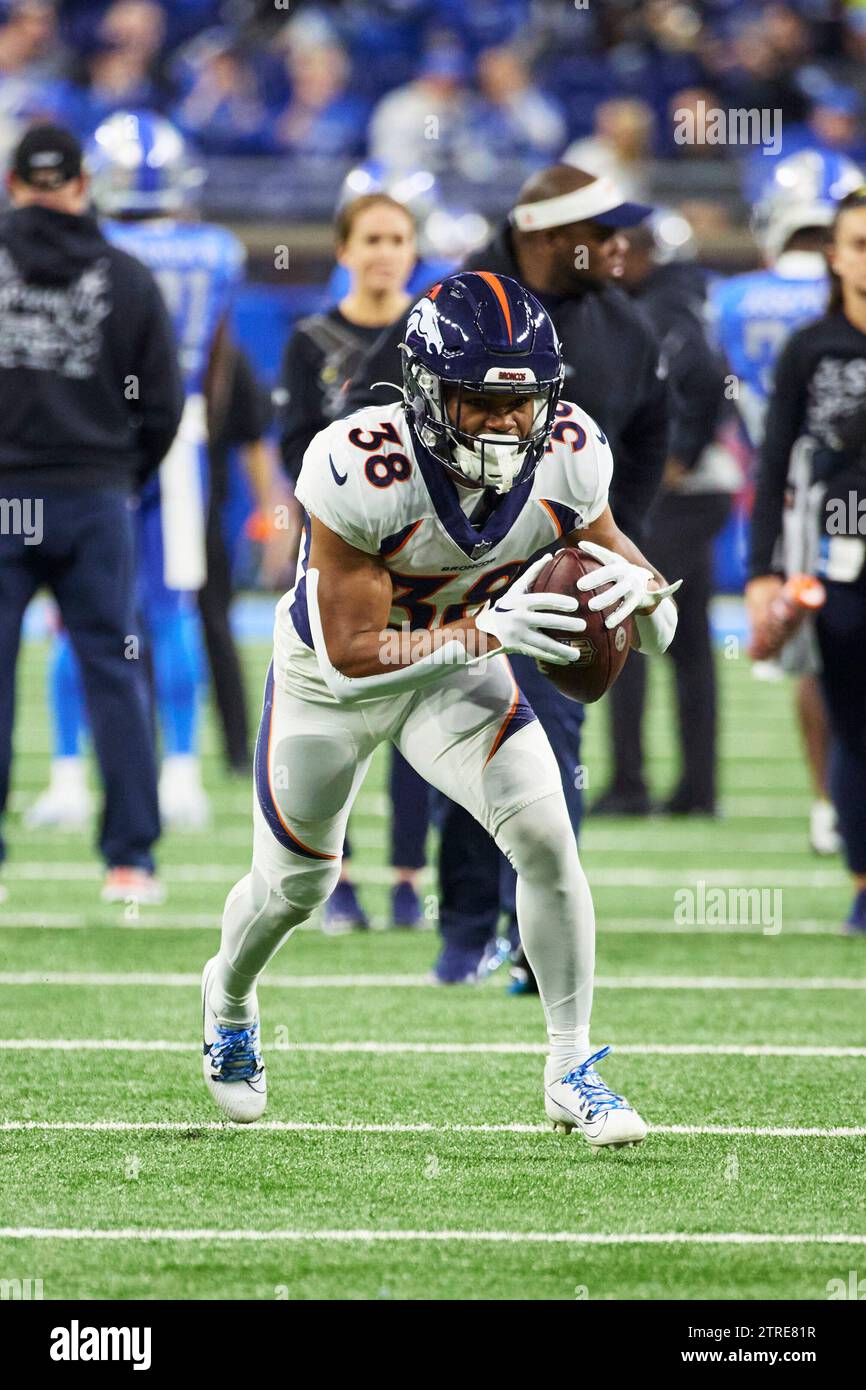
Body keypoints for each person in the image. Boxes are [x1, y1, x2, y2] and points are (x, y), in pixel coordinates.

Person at [200, 271, 681, 1144]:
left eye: (521, 402)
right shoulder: (359, 462)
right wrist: (488, 629)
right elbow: (351, 656)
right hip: (331, 685)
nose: (505, 422)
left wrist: (647, 604)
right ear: (426, 391)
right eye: (476, 401)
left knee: (545, 837)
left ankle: (571, 1066)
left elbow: (638, 585)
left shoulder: (571, 451)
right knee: (297, 886)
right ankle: (229, 998)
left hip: (453, 673)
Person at [343, 165, 668, 980]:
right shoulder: (447, 311)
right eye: (600, 233)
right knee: (460, 744)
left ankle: (531, 947)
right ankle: (460, 925)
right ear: (548, 237)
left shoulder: (624, 326)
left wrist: (610, 558)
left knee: (554, 745)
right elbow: (363, 414)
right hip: (442, 581)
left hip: (559, 572)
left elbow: (651, 438)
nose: (617, 246)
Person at [27, 111, 245, 833]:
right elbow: (215, 356)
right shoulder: (217, 250)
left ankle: (67, 775)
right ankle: (180, 772)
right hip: (177, 431)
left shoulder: (95, 243)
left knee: (77, 616)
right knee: (172, 608)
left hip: (92, 436)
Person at [0, 122, 182, 902]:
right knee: (115, 670)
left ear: (12, 186)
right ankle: (130, 860)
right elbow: (166, 406)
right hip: (95, 497)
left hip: (6, 501)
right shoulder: (129, 276)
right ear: (81, 185)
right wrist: (119, 474)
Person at [277, 191, 431, 930]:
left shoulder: (430, 333)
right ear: (344, 250)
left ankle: (409, 875)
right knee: (334, 713)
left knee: (417, 703)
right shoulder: (312, 336)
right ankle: (337, 877)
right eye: (370, 238)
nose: (383, 251)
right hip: (337, 547)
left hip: (421, 551)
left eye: (397, 238)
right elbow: (291, 439)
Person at [714, 150, 864, 852]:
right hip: (832, 492)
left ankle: (827, 806)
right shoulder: (824, 318)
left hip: (799, 505)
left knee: (818, 665)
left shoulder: (735, 297)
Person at [747, 185, 866, 934]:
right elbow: (772, 464)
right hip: (842, 562)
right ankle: (862, 883)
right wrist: (762, 572)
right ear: (835, 254)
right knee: (853, 724)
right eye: (858, 244)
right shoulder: (809, 348)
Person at [614, 210, 734, 816]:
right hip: (691, 494)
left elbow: (706, 375)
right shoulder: (687, 295)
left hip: (678, 496)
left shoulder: (662, 306)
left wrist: (677, 454)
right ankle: (693, 789)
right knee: (679, 644)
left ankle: (635, 784)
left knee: (639, 632)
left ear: (639, 254)